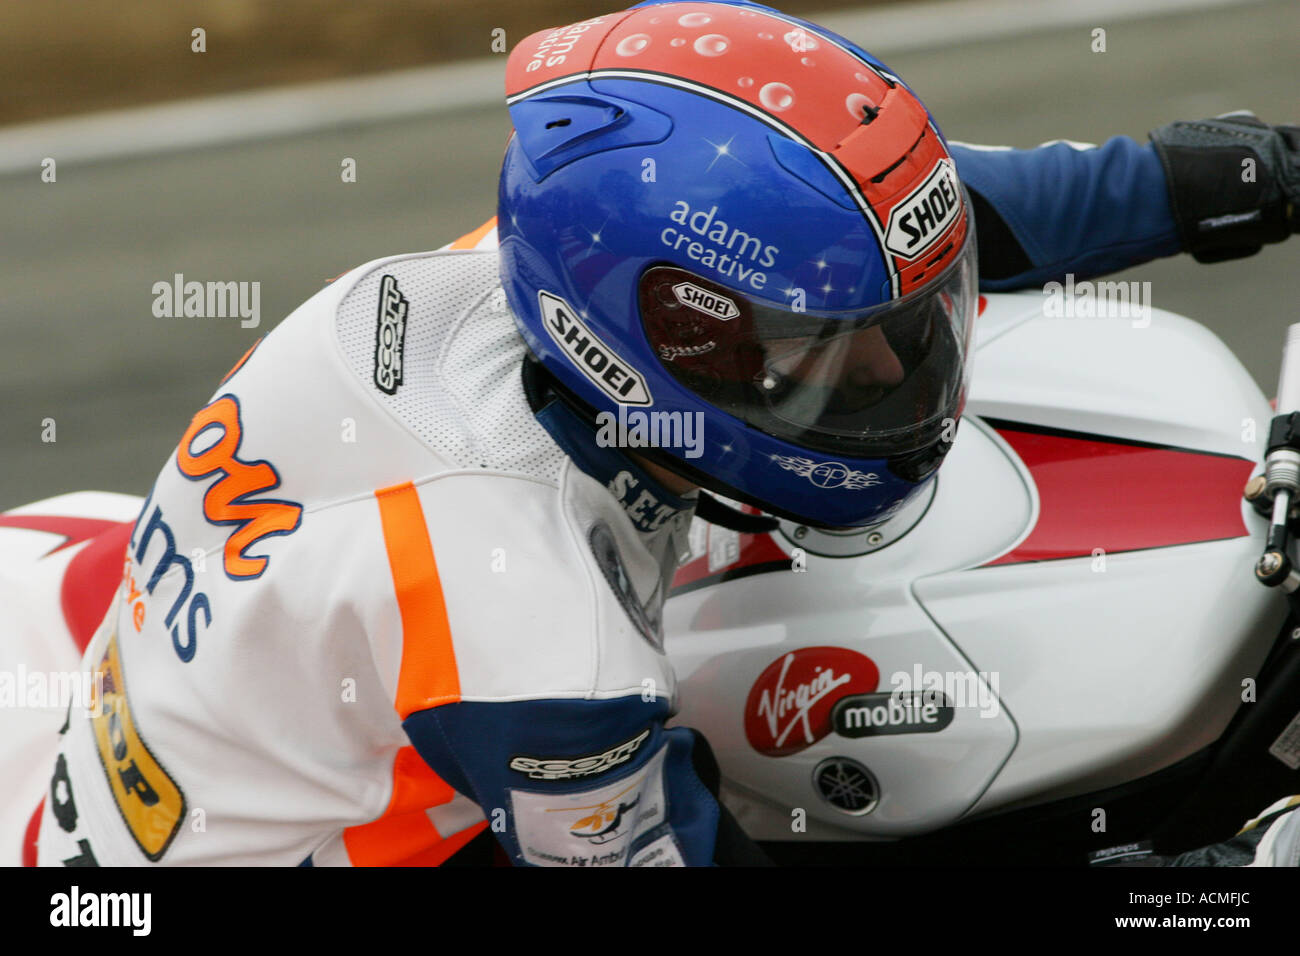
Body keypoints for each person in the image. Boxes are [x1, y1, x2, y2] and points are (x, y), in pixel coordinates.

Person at [27, 0, 1300, 866]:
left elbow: (951, 217)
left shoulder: (553, 261)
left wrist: (1236, 175)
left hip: (246, 672)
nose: (889, 369)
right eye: (821, 353)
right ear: (665, 335)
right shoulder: (541, 638)